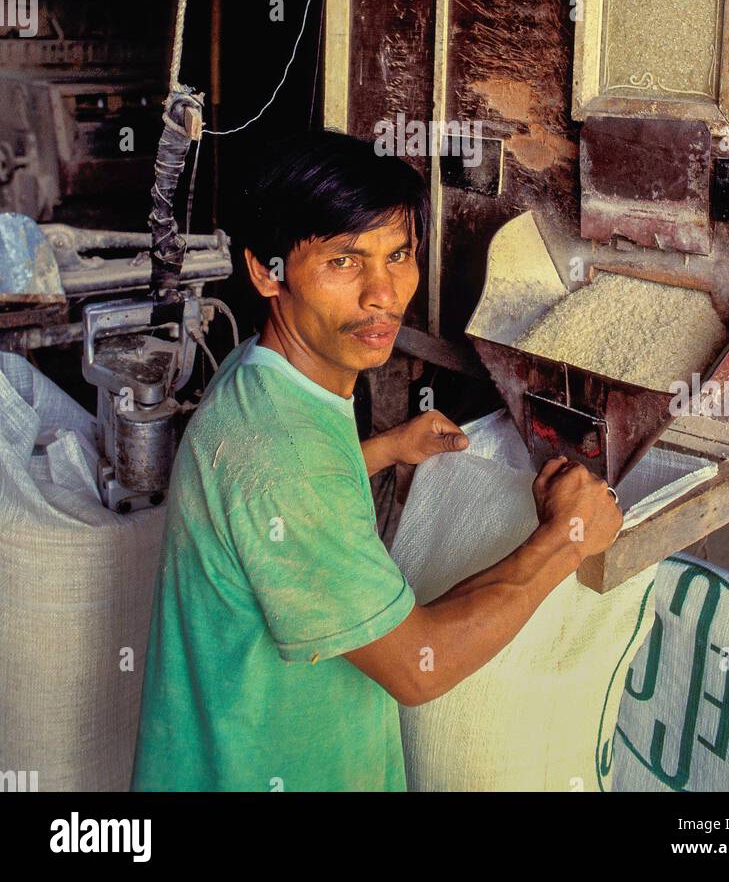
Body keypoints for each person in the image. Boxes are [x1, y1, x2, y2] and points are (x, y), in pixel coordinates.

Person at [131, 128, 622, 792]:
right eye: (344, 262)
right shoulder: (287, 461)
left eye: (400, 256)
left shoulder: (262, 379)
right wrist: (567, 539)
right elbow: (419, 667)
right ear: (264, 272)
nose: (382, 295)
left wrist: (386, 449)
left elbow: (268, 507)